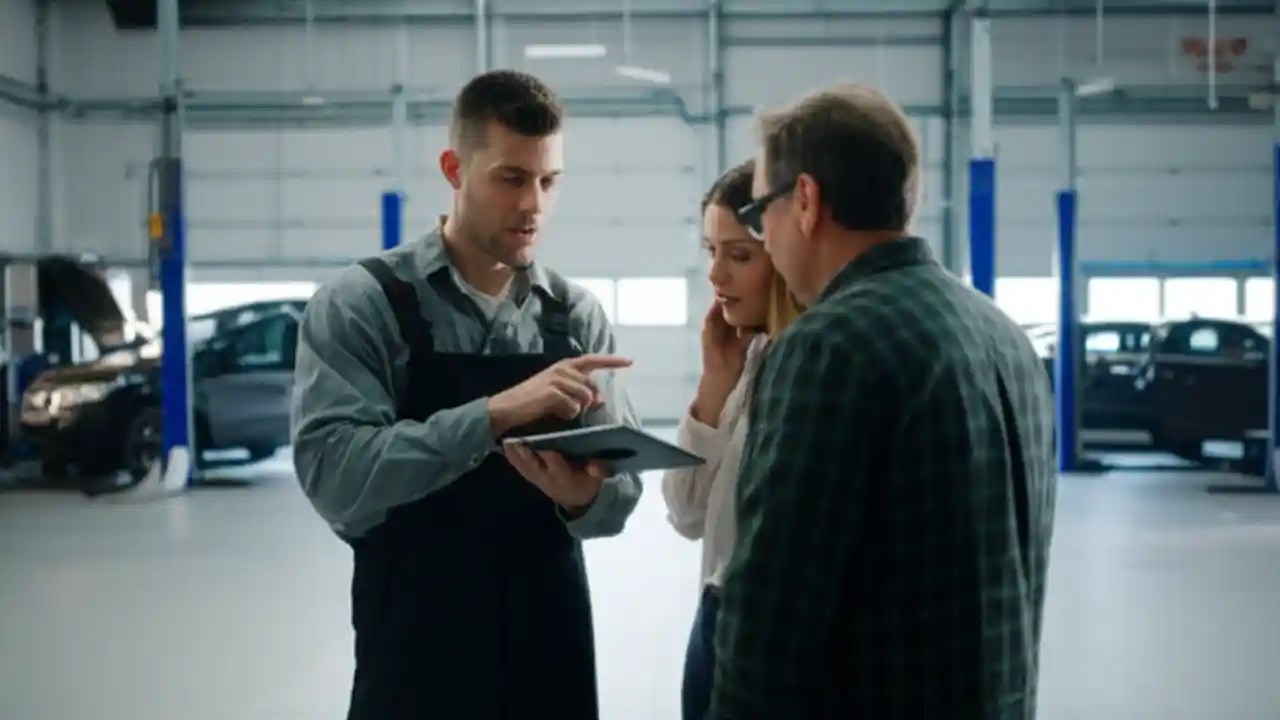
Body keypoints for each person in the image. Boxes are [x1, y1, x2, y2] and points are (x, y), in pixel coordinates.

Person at [290, 69, 643, 720]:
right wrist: (493, 415)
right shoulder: (366, 306)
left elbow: (617, 506)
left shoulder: (577, 318)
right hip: (416, 660)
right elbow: (335, 478)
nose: (533, 203)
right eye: (511, 178)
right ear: (455, 168)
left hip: (550, 656)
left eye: (548, 181)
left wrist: (585, 497)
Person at [709, 84, 1057, 719]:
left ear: (807, 201)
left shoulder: (829, 347)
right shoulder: (1005, 336)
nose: (766, 235)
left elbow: (773, 619)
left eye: (763, 214)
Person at [659, 159, 801, 720]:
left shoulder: (816, 369)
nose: (716, 275)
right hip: (715, 624)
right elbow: (686, 513)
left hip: (766, 645)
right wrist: (716, 381)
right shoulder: (750, 356)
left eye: (739, 255)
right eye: (710, 252)